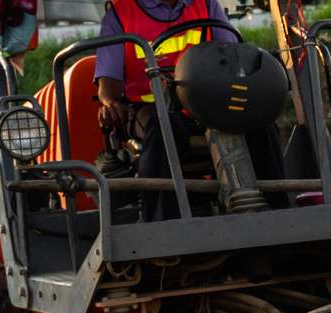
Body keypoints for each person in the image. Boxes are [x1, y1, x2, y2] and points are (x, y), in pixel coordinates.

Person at [93, 0, 237, 216]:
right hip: (149, 108)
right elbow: (108, 85)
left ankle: (274, 211)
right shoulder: (119, 15)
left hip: (206, 104)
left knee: (257, 118)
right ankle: (161, 223)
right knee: (163, 126)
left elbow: (233, 56)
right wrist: (110, 103)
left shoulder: (206, 5)